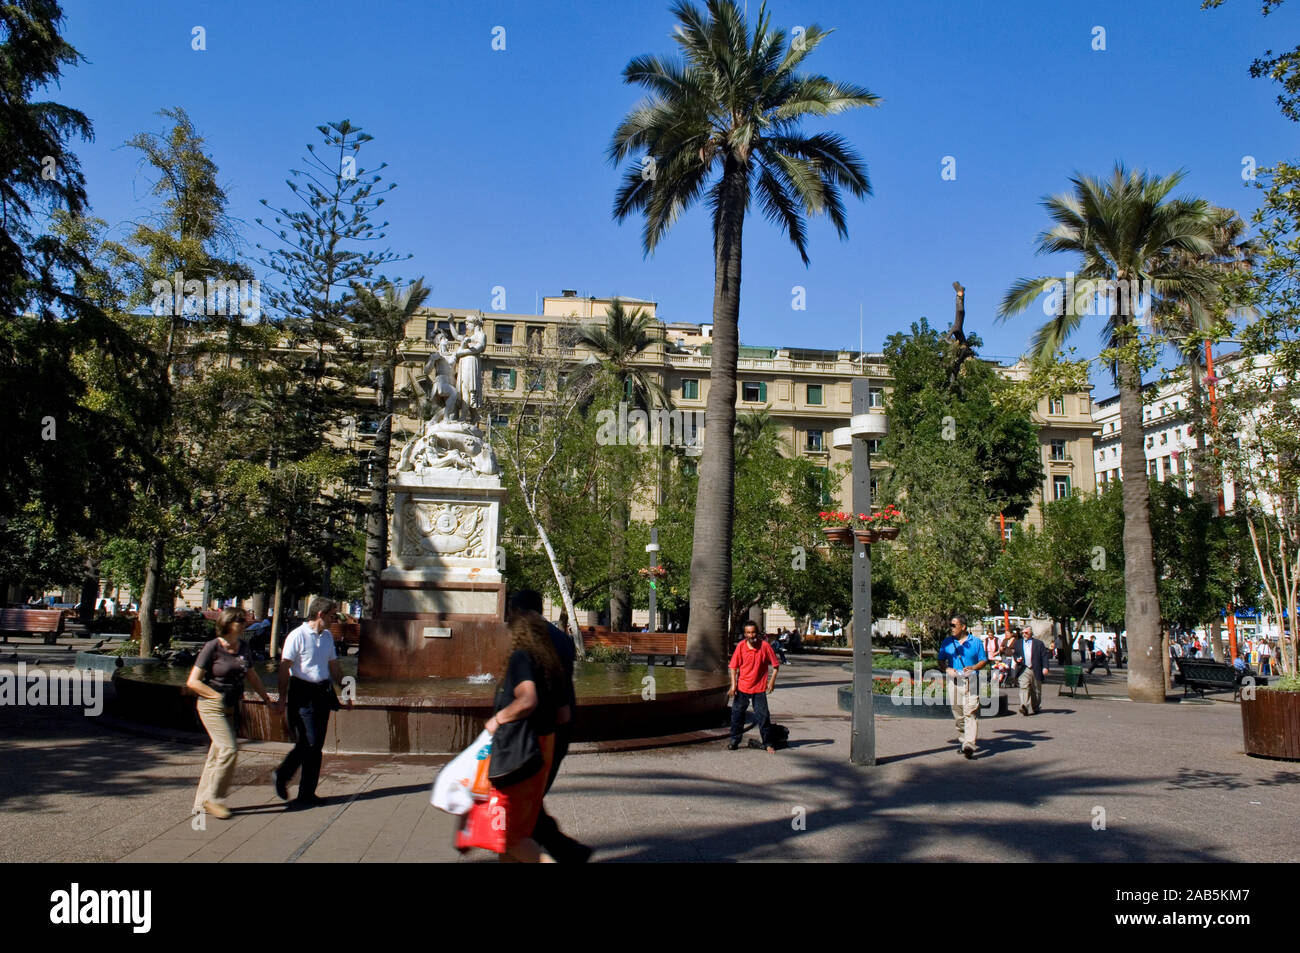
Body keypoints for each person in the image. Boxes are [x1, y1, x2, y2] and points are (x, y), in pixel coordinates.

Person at [506, 589, 590, 863]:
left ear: (519, 611)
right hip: (556, 729)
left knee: (524, 806)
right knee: (530, 802)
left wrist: (499, 719)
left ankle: (564, 853)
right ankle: (567, 851)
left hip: (537, 733)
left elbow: (532, 694)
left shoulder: (530, 642)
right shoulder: (561, 639)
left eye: (511, 609)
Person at [484, 611, 571, 862]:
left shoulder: (521, 658)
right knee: (518, 829)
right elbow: (563, 715)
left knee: (508, 834)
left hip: (517, 754)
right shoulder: (551, 665)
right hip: (542, 750)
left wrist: (499, 719)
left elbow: (527, 699)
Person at [186, 608, 272, 819]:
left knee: (217, 755)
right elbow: (193, 681)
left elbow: (252, 676)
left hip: (231, 706)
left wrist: (267, 699)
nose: (244, 624)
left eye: (244, 620)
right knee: (229, 749)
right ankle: (215, 799)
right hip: (211, 707)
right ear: (228, 623)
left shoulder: (243, 647)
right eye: (240, 621)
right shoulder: (212, 647)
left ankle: (201, 802)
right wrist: (214, 696)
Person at [272, 597, 350, 808]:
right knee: (310, 742)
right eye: (333, 615)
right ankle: (282, 774)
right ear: (320, 614)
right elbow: (284, 667)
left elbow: (334, 668)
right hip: (302, 693)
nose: (335, 619)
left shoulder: (326, 637)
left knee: (316, 746)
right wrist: (281, 698)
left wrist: (346, 690)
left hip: (322, 693)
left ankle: (307, 793)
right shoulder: (297, 636)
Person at [938, 615, 987, 759]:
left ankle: (969, 744)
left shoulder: (976, 642)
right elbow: (941, 660)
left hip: (971, 680)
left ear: (963, 627)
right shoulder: (947, 642)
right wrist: (947, 669)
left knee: (970, 711)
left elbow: (983, 660)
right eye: (950, 625)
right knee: (958, 714)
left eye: (954, 625)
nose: (951, 628)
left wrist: (974, 667)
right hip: (954, 681)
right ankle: (963, 740)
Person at [727, 621, 780, 752]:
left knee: (763, 716)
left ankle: (767, 743)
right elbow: (733, 667)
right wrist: (733, 686)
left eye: (753, 632)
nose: (751, 635)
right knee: (737, 715)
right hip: (742, 687)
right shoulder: (740, 646)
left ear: (757, 632)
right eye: (748, 633)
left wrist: (771, 681)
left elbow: (776, 666)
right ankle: (734, 740)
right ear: (745, 634)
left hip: (759, 688)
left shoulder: (765, 646)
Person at [1014, 626, 1050, 716]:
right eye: (1023, 633)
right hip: (1024, 668)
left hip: (1036, 668)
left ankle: (1036, 707)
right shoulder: (1018, 643)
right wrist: (1017, 659)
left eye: (1026, 632)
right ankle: (1024, 706)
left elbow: (1044, 656)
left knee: (1036, 689)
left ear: (1031, 633)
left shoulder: (1039, 643)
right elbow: (1016, 654)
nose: (1024, 634)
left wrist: (1045, 667)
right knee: (1023, 687)